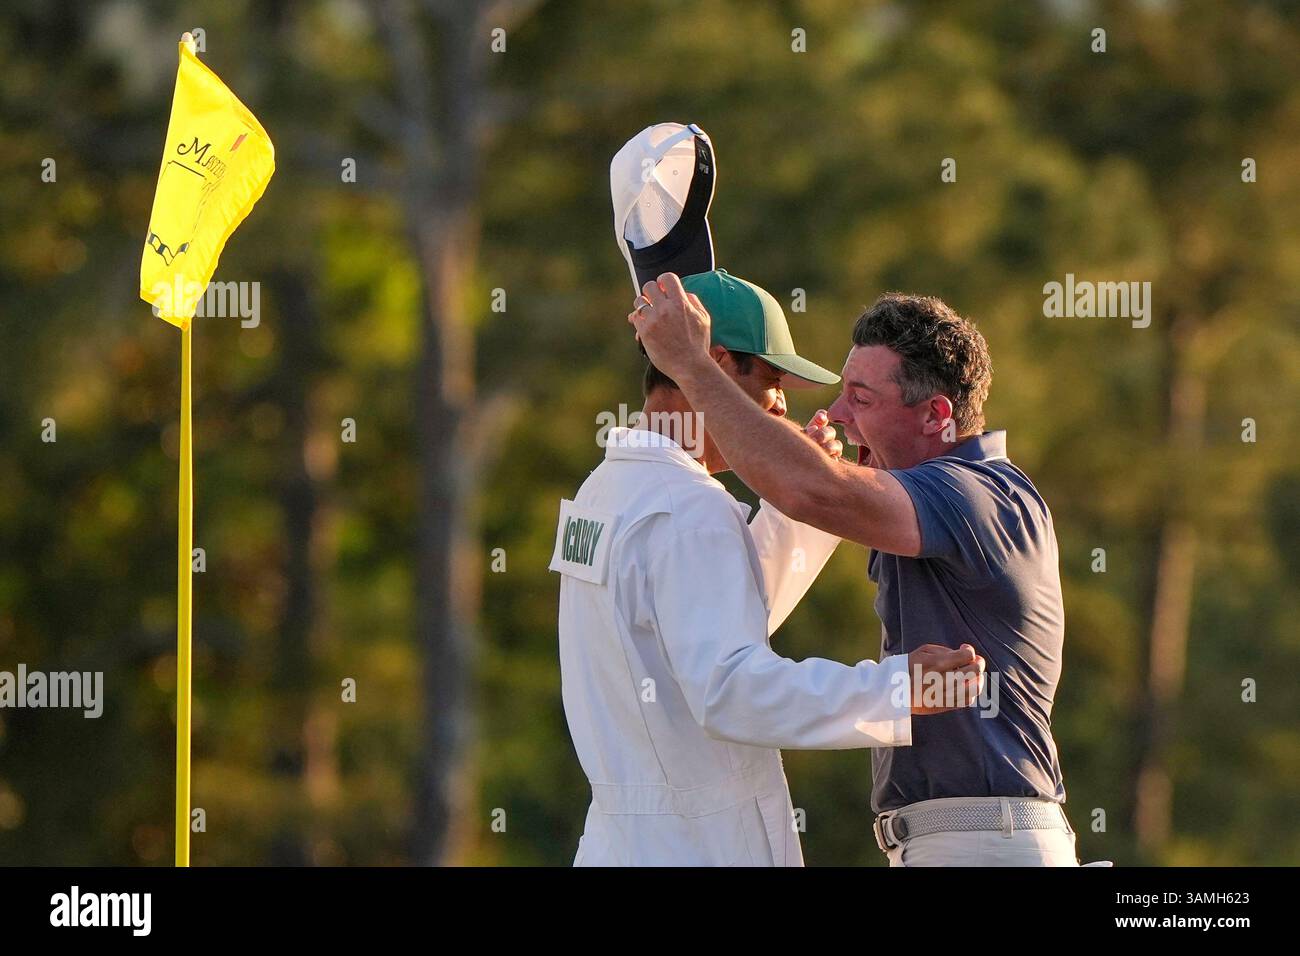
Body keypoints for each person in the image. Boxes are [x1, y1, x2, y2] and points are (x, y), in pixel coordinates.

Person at [629, 274, 1077, 866]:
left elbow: (811, 491)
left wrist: (692, 365)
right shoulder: (958, 493)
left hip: (983, 844)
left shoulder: (972, 493)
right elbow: (796, 519)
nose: (837, 414)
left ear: (935, 416)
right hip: (969, 841)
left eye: (860, 399)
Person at [553, 269, 984, 866]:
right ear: (717, 365)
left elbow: (706, 628)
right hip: (698, 848)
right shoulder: (687, 506)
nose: (781, 405)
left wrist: (798, 512)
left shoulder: (604, 491)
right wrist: (896, 688)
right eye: (773, 379)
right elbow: (730, 690)